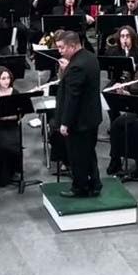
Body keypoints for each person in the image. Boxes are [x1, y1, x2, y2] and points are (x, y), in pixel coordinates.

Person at [52, 31, 101, 197]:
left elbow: (73, 98)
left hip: (80, 121)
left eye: (62, 47)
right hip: (92, 117)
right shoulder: (90, 57)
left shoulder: (76, 66)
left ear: (72, 46)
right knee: (88, 152)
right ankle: (95, 183)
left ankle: (80, 187)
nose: (60, 51)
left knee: (77, 155)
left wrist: (65, 123)